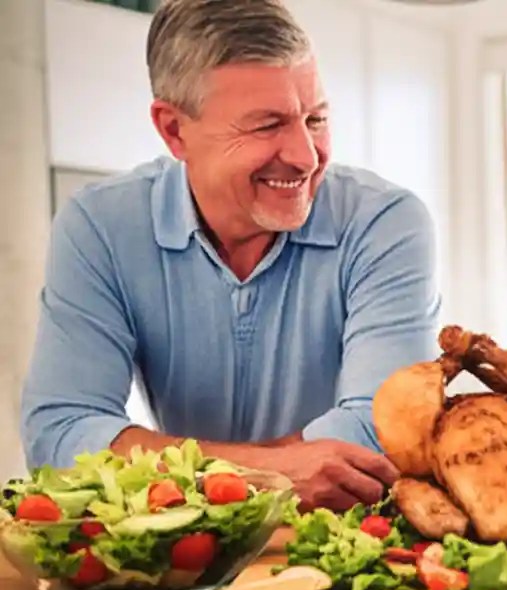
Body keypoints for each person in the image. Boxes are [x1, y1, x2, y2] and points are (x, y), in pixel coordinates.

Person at [20, 0, 440, 511]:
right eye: (267, 126)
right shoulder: (100, 227)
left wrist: (181, 473)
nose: (307, 157)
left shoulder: (385, 221)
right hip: (187, 557)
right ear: (174, 130)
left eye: (316, 118)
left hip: (347, 543)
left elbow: (381, 433)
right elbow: (60, 435)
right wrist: (267, 472)